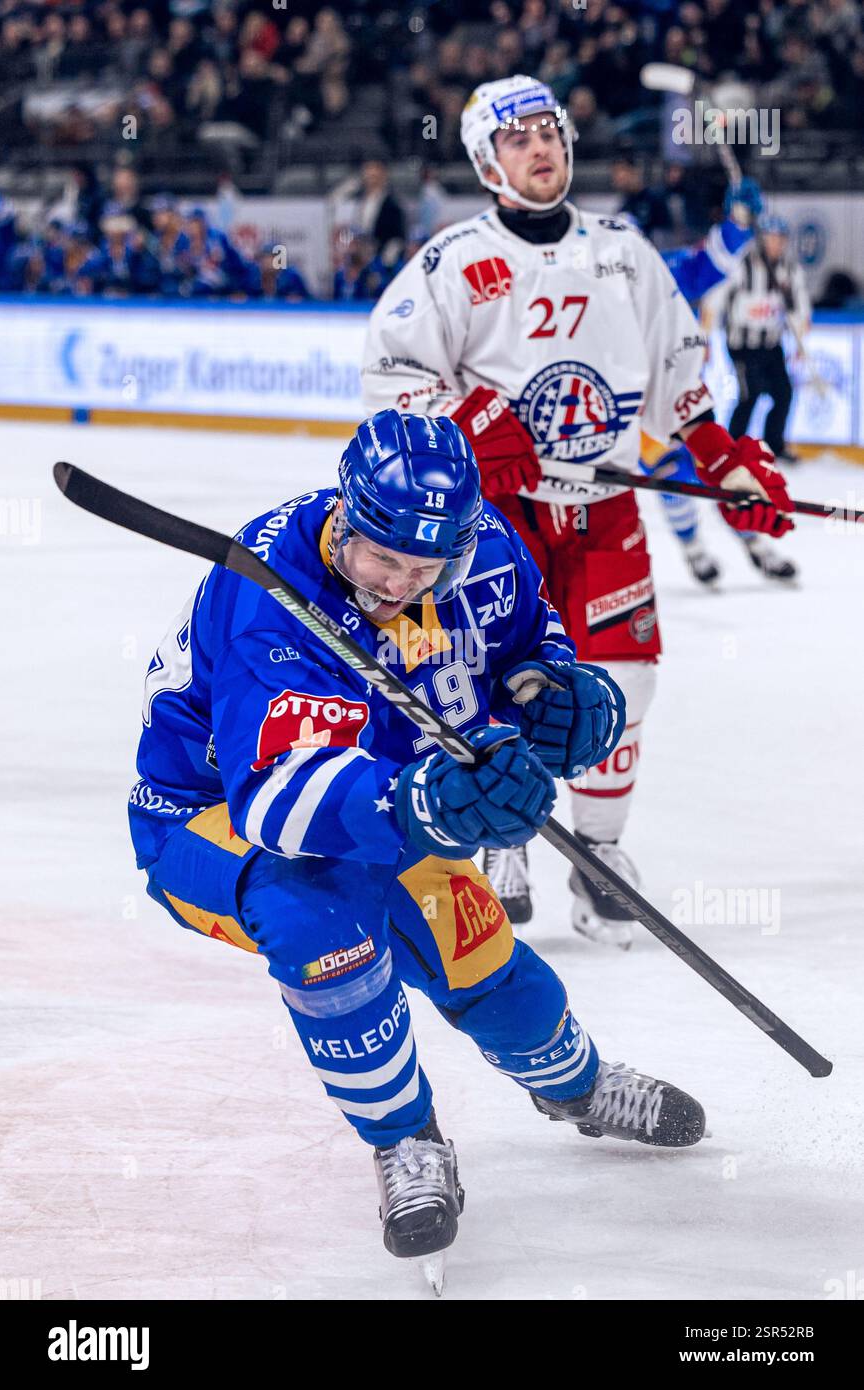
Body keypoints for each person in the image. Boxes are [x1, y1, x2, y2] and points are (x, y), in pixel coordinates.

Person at [128, 410, 705, 1272]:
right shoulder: (271, 599)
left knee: (480, 960)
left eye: (425, 566)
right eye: (383, 559)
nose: (400, 582)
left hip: (386, 792)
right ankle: (406, 1141)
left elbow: (526, 641)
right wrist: (432, 803)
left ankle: (578, 1086)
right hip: (211, 815)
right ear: (343, 519)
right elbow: (278, 800)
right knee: (325, 923)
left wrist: (550, 695)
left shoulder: (484, 546)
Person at [361, 76, 794, 943]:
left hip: (605, 510)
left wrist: (723, 463)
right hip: (499, 522)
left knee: (626, 678)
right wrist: (472, 422)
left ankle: (600, 858)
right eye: (517, 139)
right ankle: (504, 837)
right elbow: (391, 373)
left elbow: (680, 377)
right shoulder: (452, 259)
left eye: (549, 131)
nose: (539, 148)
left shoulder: (624, 251)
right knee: (490, 675)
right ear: (488, 161)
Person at [641, 179, 800, 588]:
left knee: (720, 469)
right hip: (635, 413)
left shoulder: (658, 268)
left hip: (680, 396)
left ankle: (755, 544)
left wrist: (739, 222)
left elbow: (708, 262)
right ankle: (694, 548)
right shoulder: (601, 288)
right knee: (673, 475)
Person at [708, 214, 811, 470]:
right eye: (770, 238)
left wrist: (800, 341)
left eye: (779, 239)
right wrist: (705, 337)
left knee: (783, 393)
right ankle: (731, 449)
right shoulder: (741, 265)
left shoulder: (789, 269)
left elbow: (800, 308)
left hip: (771, 344)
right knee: (749, 394)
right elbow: (715, 298)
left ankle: (774, 445)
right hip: (741, 344)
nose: (775, 244)